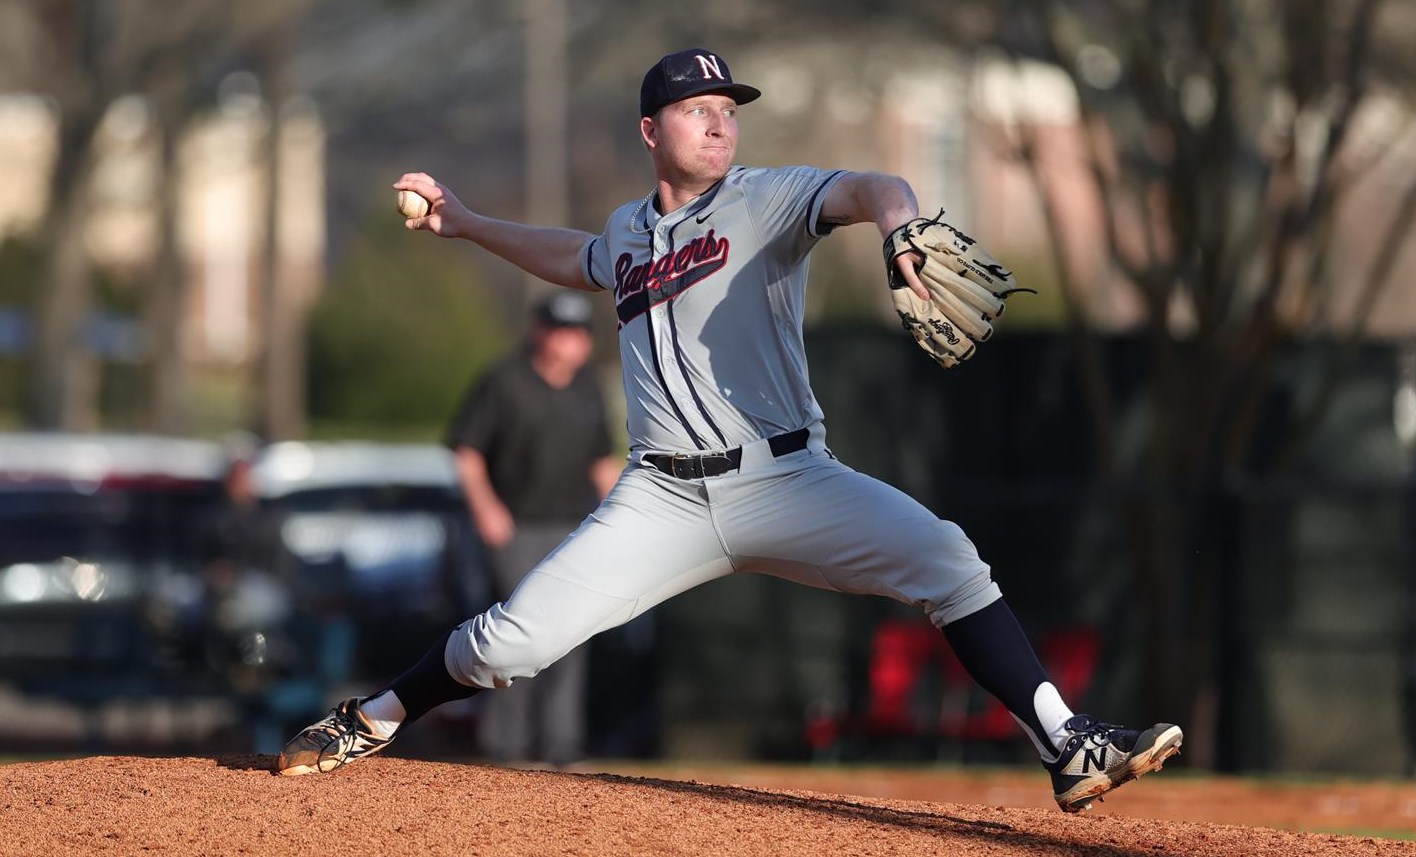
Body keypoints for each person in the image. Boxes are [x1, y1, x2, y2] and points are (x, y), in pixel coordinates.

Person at [278, 47, 1181, 812]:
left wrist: (901, 226)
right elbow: (574, 256)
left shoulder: (767, 200)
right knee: (514, 639)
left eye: (727, 110)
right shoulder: (629, 231)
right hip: (659, 495)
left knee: (949, 560)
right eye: (696, 109)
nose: (719, 124)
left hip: (788, 481)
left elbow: (874, 184)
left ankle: (1070, 742)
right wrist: (467, 223)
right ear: (650, 132)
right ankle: (374, 716)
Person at [449, 291, 620, 765]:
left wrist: (621, 517)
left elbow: (602, 461)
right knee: (517, 631)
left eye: (579, 333)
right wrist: (486, 509)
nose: (570, 342)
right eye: (561, 331)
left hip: (573, 528)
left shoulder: (588, 386)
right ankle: (507, 745)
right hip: (516, 527)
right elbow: (467, 452)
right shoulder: (505, 381)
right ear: (539, 332)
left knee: (571, 633)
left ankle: (561, 745)